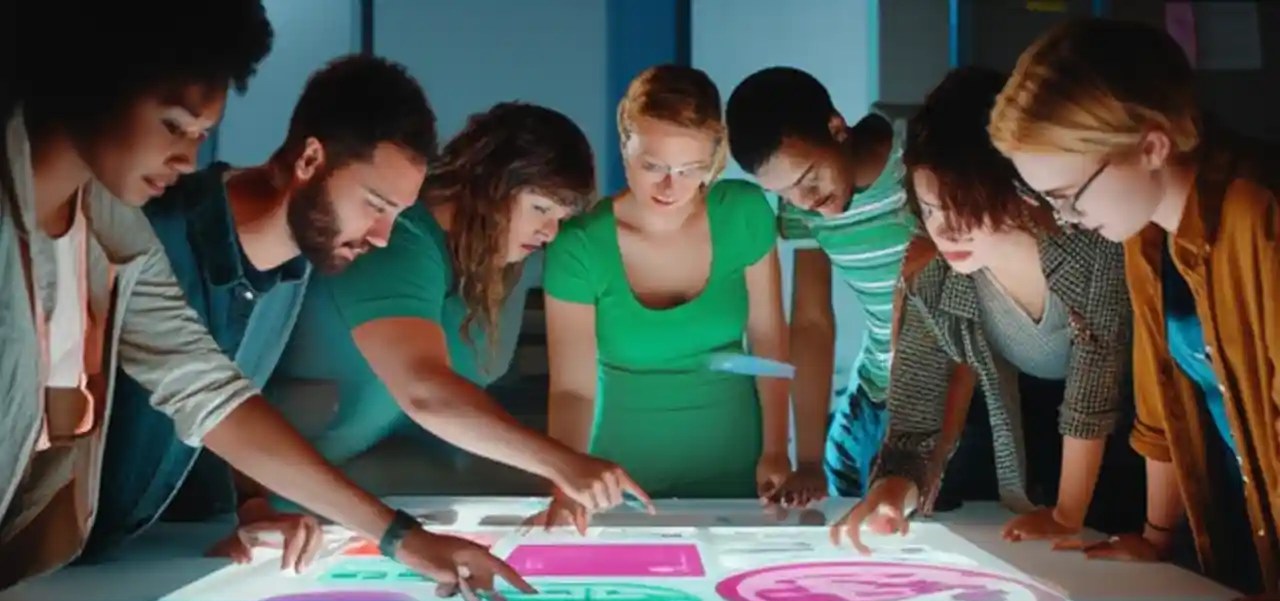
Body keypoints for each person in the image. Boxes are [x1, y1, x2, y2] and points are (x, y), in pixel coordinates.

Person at [0, 1, 530, 601]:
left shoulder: (116, 228)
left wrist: (398, 538)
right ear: (90, 77)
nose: (188, 156)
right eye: (174, 124)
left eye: (203, 131)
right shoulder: (143, 219)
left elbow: (208, 390)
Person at [81, 54, 437, 567]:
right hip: (53, 569)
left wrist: (250, 504)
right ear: (311, 159)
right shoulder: (147, 233)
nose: (380, 238)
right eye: (375, 205)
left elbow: (232, 405)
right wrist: (400, 537)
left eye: (396, 217)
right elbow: (202, 392)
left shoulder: (296, 267)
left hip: (145, 562)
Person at [988, 18, 1280, 601]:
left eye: (1071, 196)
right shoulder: (1143, 232)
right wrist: (1157, 537)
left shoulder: (1260, 217)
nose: (1065, 220)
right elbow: (1164, 408)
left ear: (1152, 146)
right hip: (1237, 536)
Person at [260, 101, 649, 528]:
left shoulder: (504, 264)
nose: (550, 232)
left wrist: (563, 486)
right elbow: (425, 391)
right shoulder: (397, 241)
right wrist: (563, 465)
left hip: (351, 494)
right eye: (541, 208)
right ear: (492, 182)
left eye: (561, 217)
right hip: (260, 490)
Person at [829, 65, 1145, 554]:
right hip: (1036, 448)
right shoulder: (931, 275)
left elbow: (1095, 388)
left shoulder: (1090, 245)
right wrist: (893, 491)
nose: (945, 230)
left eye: (962, 207)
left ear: (1014, 188)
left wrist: (1067, 514)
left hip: (1144, 444)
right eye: (931, 209)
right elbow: (915, 416)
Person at [542, 64, 790, 518]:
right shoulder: (579, 243)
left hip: (737, 473)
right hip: (616, 480)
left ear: (714, 158)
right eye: (651, 165)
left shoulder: (745, 213)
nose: (669, 186)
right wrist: (566, 482)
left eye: (689, 169)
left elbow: (769, 341)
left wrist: (777, 449)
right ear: (624, 145)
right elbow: (572, 391)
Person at [725, 67, 916, 501]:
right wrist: (807, 461)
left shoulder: (918, 163)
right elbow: (811, 321)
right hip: (871, 397)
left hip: (947, 398)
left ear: (836, 128)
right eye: (787, 193)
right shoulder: (803, 211)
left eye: (808, 179)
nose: (806, 202)